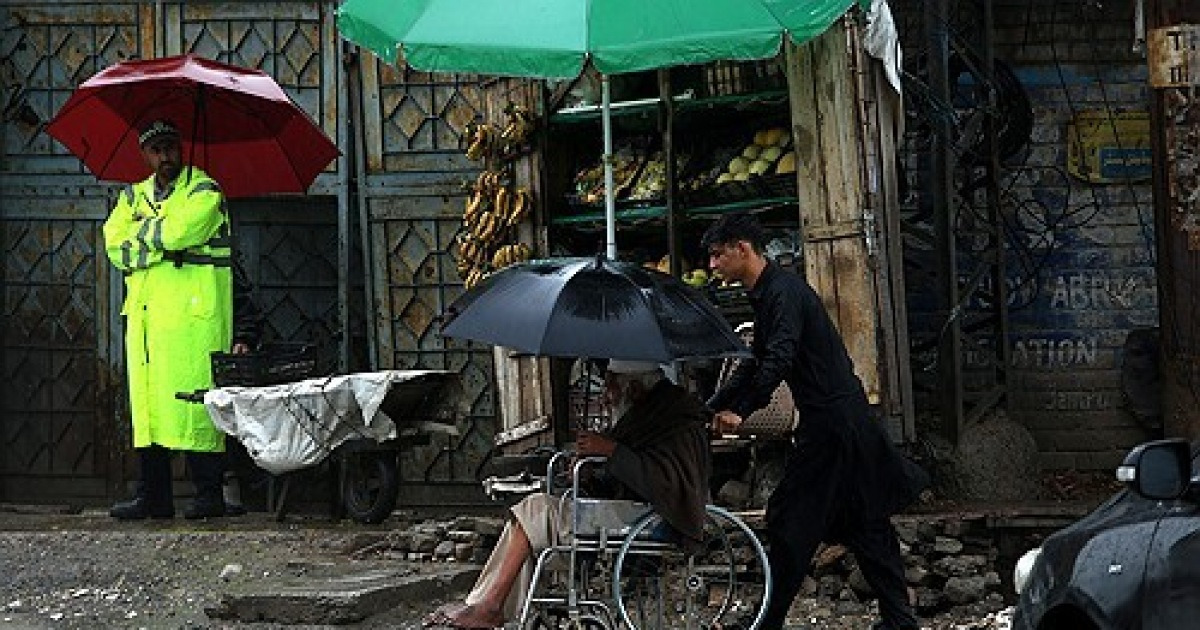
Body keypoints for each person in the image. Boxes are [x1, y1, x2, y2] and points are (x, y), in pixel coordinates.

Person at [703, 213, 927, 630]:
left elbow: (778, 359)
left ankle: (766, 623)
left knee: (793, 519)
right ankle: (899, 621)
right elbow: (754, 364)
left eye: (718, 256)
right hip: (837, 422)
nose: (713, 266)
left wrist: (743, 411)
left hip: (834, 425)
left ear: (742, 250)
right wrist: (714, 404)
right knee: (866, 522)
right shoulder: (769, 293)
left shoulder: (783, 295)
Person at [424, 359, 712, 629]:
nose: (606, 397)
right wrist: (590, 466)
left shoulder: (675, 417)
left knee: (535, 510)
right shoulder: (646, 413)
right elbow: (622, 471)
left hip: (654, 515)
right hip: (628, 506)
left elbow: (664, 482)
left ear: (633, 388)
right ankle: (485, 603)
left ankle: (489, 604)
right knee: (528, 518)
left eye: (610, 387)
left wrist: (610, 451)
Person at [104, 119, 251, 520]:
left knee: (196, 407)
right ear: (145, 155)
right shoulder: (132, 196)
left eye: (170, 147)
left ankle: (209, 495)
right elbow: (114, 244)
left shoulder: (204, 190)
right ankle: (154, 497)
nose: (164, 156)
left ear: (181, 148)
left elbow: (183, 231)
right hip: (148, 321)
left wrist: (144, 238)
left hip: (193, 321)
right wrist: (158, 239)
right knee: (150, 409)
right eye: (156, 150)